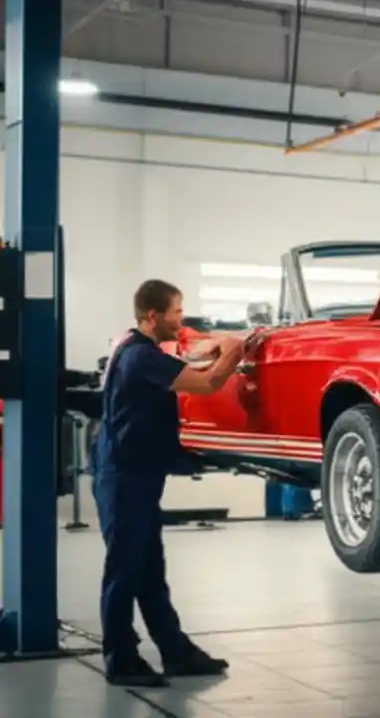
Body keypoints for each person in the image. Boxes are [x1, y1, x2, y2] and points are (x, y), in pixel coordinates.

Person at [92, 279, 245, 687]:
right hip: (125, 476)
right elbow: (208, 383)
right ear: (154, 315)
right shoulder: (142, 357)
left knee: (149, 569)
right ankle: (120, 658)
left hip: (132, 472)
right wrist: (235, 350)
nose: (182, 319)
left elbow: (186, 364)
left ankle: (175, 652)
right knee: (125, 569)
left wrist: (205, 348)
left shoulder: (132, 346)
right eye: (176, 312)